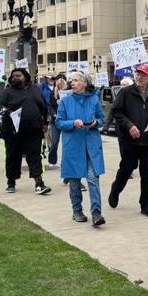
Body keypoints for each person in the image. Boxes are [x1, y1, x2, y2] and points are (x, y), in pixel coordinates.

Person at [108, 64, 148, 217]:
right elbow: (116, 112)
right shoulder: (126, 92)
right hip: (129, 141)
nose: (139, 77)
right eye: (137, 74)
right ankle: (115, 190)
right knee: (126, 169)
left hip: (147, 141)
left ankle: (145, 204)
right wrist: (129, 125)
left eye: (143, 75)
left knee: (147, 173)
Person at [56, 71, 106, 226]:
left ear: (85, 83)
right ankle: (77, 210)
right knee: (75, 181)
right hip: (73, 145)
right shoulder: (66, 101)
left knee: (92, 178)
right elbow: (59, 122)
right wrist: (72, 123)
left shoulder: (94, 100)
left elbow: (101, 118)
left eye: (76, 80)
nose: (72, 83)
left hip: (91, 145)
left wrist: (95, 123)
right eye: (71, 80)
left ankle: (96, 213)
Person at [0, 68, 52, 195]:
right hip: (12, 132)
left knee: (35, 157)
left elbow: (43, 106)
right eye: (14, 76)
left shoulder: (35, 90)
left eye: (19, 75)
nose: (16, 78)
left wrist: (45, 122)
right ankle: (11, 182)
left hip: (33, 130)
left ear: (26, 77)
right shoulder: (8, 92)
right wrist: (9, 113)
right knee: (12, 157)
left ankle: (39, 183)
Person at [47, 75, 67, 167]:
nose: (58, 87)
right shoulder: (52, 94)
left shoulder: (67, 94)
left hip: (66, 121)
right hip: (55, 120)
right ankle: (52, 160)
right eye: (57, 85)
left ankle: (65, 163)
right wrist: (54, 113)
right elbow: (50, 106)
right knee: (54, 142)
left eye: (60, 85)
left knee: (66, 144)